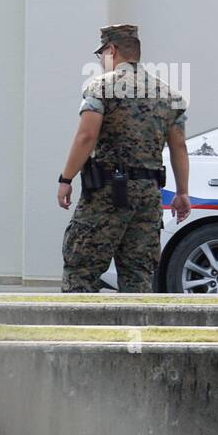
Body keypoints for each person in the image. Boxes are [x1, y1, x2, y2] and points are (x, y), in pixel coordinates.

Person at [57, 24, 191, 293]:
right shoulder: (169, 95)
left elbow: (86, 136)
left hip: (107, 192)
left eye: (101, 55)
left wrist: (66, 178)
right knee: (138, 272)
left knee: (82, 268)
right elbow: (179, 147)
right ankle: (136, 333)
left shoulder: (101, 87)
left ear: (112, 50)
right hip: (148, 196)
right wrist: (183, 192)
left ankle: (79, 332)